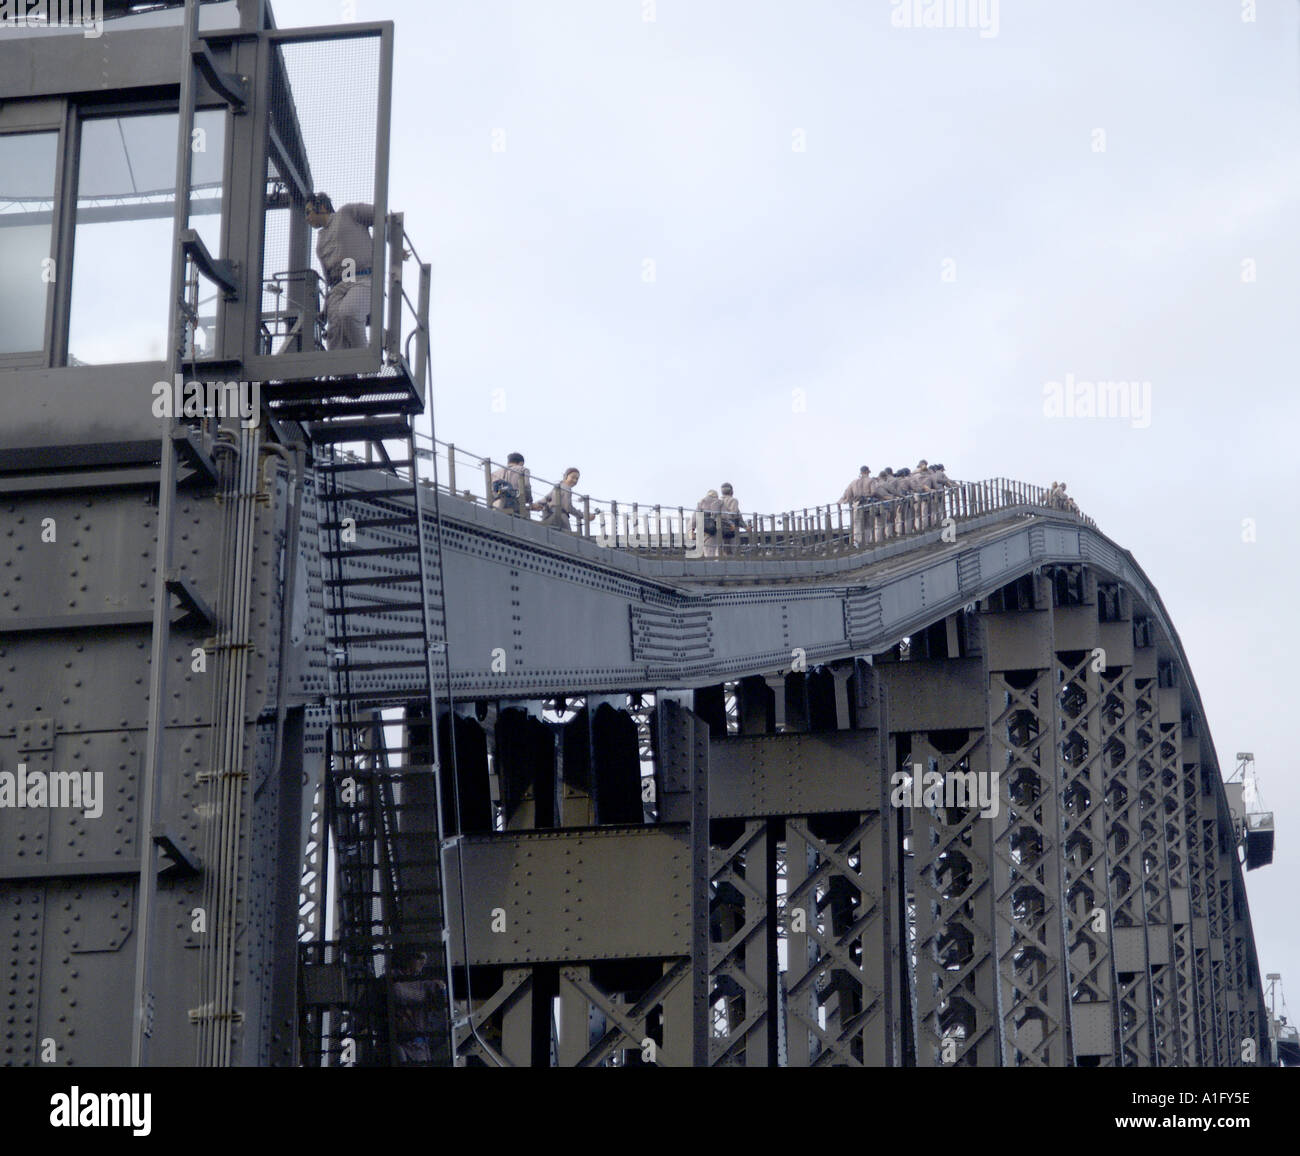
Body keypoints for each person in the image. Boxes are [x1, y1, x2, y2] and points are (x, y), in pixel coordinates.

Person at [305, 193, 374, 350]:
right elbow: (328, 279)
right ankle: (344, 374)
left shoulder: (347, 213)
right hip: (337, 288)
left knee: (348, 313)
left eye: (308, 212)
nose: (307, 217)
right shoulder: (321, 242)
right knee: (334, 335)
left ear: (321, 207)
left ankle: (365, 359)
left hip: (362, 279)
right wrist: (325, 309)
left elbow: (381, 216)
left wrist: (396, 246)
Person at [387, 947, 448, 1066]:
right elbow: (397, 992)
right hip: (397, 1042)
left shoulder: (422, 983)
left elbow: (440, 1000)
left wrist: (440, 989)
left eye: (424, 959)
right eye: (419, 958)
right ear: (408, 958)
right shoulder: (393, 978)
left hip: (418, 1046)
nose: (423, 962)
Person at [534, 467, 596, 532]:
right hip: (561, 518)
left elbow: (545, 499)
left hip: (548, 516)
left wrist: (535, 504)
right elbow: (568, 507)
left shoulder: (558, 487)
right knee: (571, 538)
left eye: (576, 479)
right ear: (566, 476)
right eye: (572, 477)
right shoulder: (567, 489)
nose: (575, 480)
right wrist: (584, 515)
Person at [839, 466, 873, 548]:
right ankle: (867, 541)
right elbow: (874, 491)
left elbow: (847, 493)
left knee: (857, 523)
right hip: (867, 503)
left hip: (857, 504)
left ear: (861, 472)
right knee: (867, 523)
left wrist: (841, 501)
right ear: (868, 472)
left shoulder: (854, 482)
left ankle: (857, 541)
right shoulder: (871, 480)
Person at [491, 452, 532, 517]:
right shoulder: (523, 469)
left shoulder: (495, 473)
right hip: (515, 505)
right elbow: (526, 485)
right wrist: (530, 502)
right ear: (521, 463)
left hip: (496, 504)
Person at [693, 489, 723, 558]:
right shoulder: (719, 502)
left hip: (705, 530)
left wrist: (692, 529)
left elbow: (695, 516)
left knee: (707, 550)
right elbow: (725, 516)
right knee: (717, 550)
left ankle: (710, 565)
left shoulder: (701, 502)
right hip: (716, 529)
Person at [718, 483, 745, 556]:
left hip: (720, 526)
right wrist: (744, 526)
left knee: (723, 546)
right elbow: (735, 514)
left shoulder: (718, 501)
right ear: (731, 491)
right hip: (732, 526)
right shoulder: (733, 500)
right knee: (733, 547)